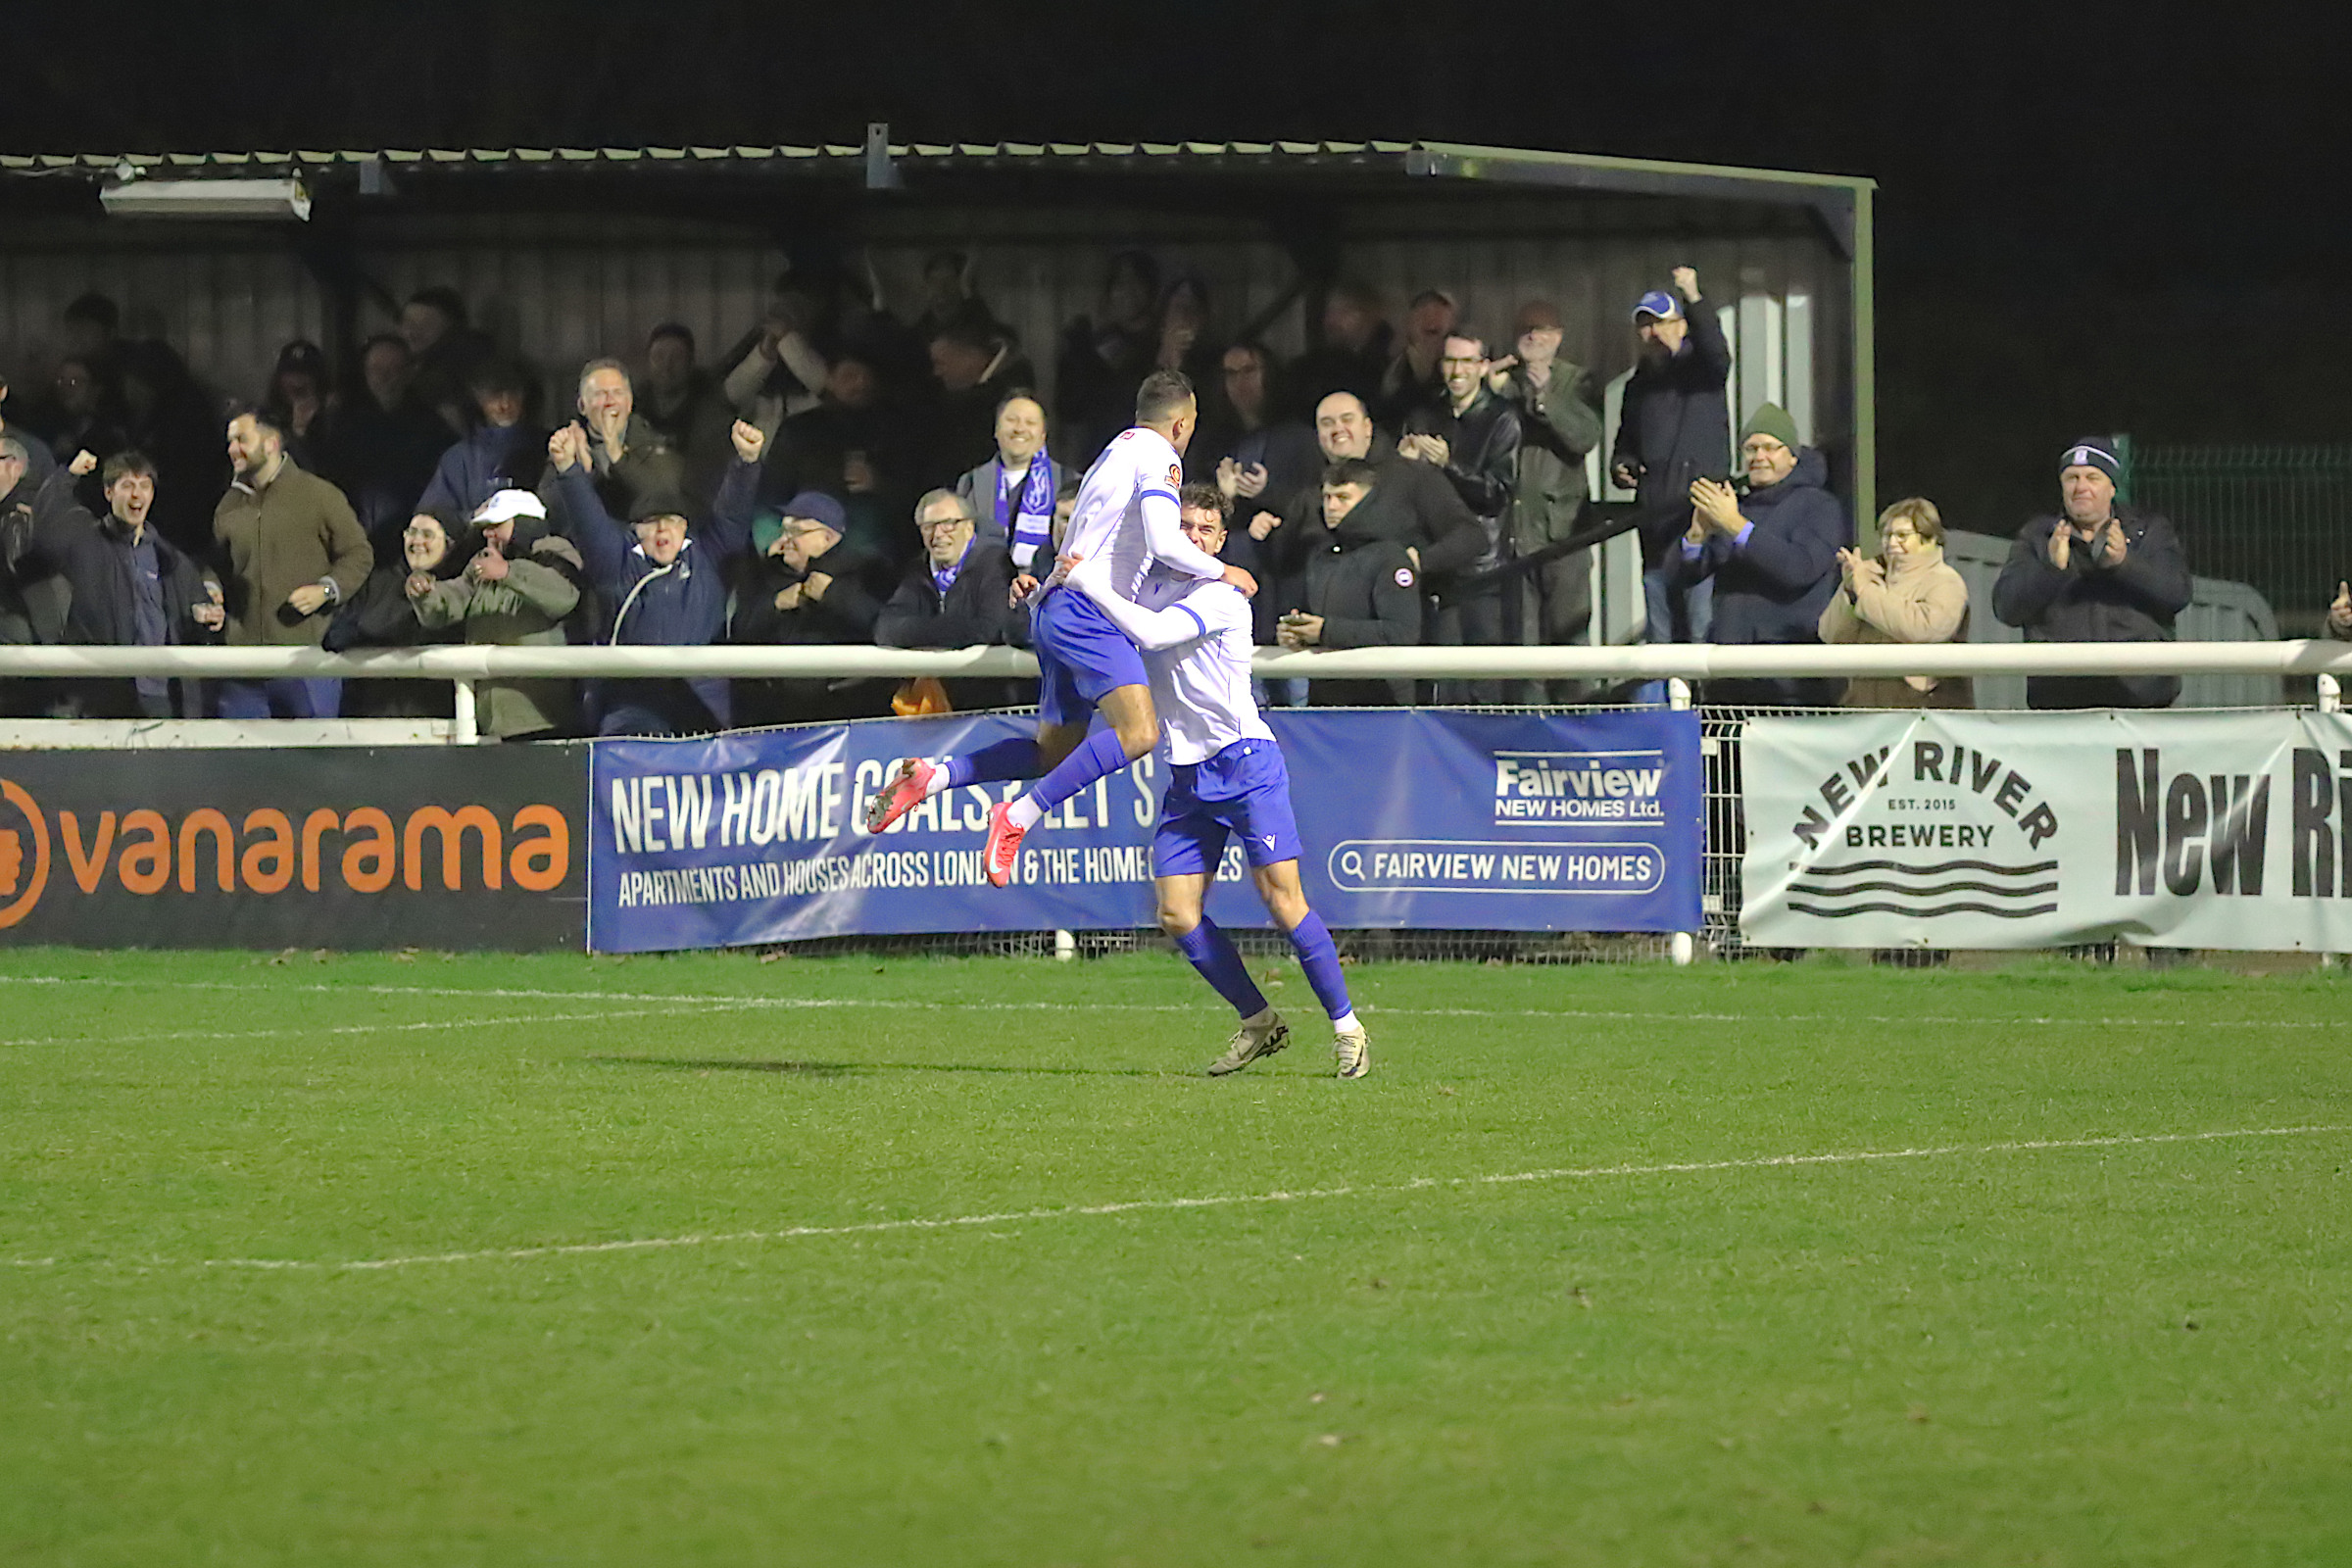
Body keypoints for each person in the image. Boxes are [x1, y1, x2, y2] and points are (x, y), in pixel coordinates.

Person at [863, 370, 1256, 884]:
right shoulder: (1161, 457)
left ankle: (934, 778)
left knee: (1053, 753)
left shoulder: (1112, 454)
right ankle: (1018, 816)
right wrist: (1221, 569)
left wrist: (1045, 588)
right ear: (1182, 422)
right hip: (1088, 615)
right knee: (1138, 732)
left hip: (1058, 608)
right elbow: (1163, 542)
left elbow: (1088, 542)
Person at [1061, 496, 1370, 1079]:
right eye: (1184, 527)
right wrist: (1045, 587)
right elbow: (1097, 607)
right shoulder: (1146, 586)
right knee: (1176, 913)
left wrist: (1087, 580)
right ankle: (1259, 1021)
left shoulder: (1223, 596)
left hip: (1244, 761)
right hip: (1187, 772)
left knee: (1283, 901)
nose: (1195, 537)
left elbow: (1149, 636)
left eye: (1207, 529)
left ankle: (1347, 1026)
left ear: (1221, 539)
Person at [553, 418, 760, 736]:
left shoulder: (708, 556)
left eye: (672, 522)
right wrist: (568, 468)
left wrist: (746, 462)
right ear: (635, 531)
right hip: (633, 705)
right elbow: (588, 520)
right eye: (651, 523)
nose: (662, 530)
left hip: (703, 704)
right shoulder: (616, 562)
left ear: (685, 529)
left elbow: (733, 514)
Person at [1670, 403, 1847, 708]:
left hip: (1790, 678)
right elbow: (1678, 578)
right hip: (1729, 675)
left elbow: (1799, 568)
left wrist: (1737, 526)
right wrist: (1696, 536)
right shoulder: (1735, 506)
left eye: (1770, 447)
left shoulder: (1818, 506)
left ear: (1792, 455)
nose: (1758, 457)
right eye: (1751, 448)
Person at [1992, 441, 2192, 710]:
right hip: (2061, 707)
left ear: (2112, 487)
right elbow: (2007, 608)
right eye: (2071, 478)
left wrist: (2124, 564)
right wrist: (2052, 570)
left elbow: (2177, 593)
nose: (2080, 487)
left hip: (2141, 706)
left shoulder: (2149, 531)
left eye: (2092, 477)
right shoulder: (2038, 536)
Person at [213, 410, 374, 718]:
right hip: (242, 669)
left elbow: (358, 553)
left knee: (314, 764)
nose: (232, 449)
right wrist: (210, 590)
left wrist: (326, 591)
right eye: (230, 441)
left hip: (305, 663)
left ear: (272, 443)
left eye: (241, 439)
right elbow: (217, 566)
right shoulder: (228, 505)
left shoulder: (319, 495)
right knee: (239, 765)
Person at [1610, 267, 1732, 648]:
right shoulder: (1637, 386)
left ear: (1682, 325)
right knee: (1660, 629)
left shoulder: (1704, 372)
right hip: (1655, 519)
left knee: (1700, 623)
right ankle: (1663, 705)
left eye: (1661, 323)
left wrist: (1694, 295)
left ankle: (1702, 706)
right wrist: (1622, 466)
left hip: (1699, 514)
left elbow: (1715, 348)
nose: (1653, 333)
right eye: (1645, 326)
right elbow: (1626, 440)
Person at [1401, 328, 1524, 702]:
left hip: (1482, 568)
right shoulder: (1426, 413)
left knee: (1482, 682)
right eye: (1450, 361)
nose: (1456, 371)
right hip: (1432, 562)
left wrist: (1447, 464)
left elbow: (1497, 493)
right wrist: (1403, 461)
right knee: (1440, 680)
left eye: (1466, 362)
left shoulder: (1502, 419)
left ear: (1484, 367)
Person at [1493, 301, 1604, 699]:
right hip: (1515, 535)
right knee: (1524, 652)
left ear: (1558, 337)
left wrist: (1543, 395)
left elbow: (1584, 437)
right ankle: (1530, 733)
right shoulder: (1502, 381)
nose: (1533, 338)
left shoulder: (1580, 381)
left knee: (1570, 643)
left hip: (1565, 534)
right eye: (1525, 330)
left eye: (1542, 331)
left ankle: (1578, 732)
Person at [408, 491, 584, 738]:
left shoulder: (556, 552)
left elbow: (565, 597)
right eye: (486, 527)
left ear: (524, 523)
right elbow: (454, 599)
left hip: (543, 720)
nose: (488, 534)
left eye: (497, 526)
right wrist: (426, 594)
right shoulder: (483, 561)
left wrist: (508, 572)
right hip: (491, 721)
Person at [730, 490, 895, 726]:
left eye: (797, 531)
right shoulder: (766, 572)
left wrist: (832, 594)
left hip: (844, 714)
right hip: (773, 716)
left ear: (827, 538)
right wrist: (776, 604)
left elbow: (884, 626)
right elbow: (739, 629)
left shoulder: (867, 572)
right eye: (785, 529)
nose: (785, 539)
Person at [1274, 462, 1424, 707]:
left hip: (1382, 706)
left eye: (1343, 498)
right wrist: (1297, 633)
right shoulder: (1321, 556)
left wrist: (1325, 631)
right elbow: (1319, 622)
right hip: (1324, 702)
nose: (1331, 506)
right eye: (1327, 497)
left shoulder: (1392, 557)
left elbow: (1403, 632)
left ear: (1370, 501)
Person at [875, 490, 1025, 710]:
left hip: (993, 703)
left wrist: (922, 639)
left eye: (948, 524)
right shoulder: (918, 568)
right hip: (937, 705)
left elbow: (988, 629)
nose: (938, 535)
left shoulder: (996, 564)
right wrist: (952, 631)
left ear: (969, 527)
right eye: (929, 526)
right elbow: (885, 629)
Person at [1818, 497, 1973, 709]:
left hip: (1924, 714)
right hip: (1864, 711)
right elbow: (1830, 635)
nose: (1891, 543)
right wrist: (1849, 590)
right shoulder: (1870, 575)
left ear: (1929, 538)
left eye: (1902, 536)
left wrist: (1866, 592)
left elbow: (1925, 628)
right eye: (1887, 535)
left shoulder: (1945, 581)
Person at [321, 506, 467, 719]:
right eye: (411, 532)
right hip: (368, 717)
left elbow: (428, 634)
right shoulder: (376, 582)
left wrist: (371, 633)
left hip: (434, 720)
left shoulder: (459, 588)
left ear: (450, 543)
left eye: (427, 535)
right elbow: (334, 636)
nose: (417, 541)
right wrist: (371, 633)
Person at [318, 332, 453, 542]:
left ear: (409, 373)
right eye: (376, 370)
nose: (384, 377)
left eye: (393, 370)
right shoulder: (347, 421)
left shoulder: (430, 424)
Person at [1054, 250, 1163, 465]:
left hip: (1148, 456)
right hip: (1097, 455)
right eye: (1120, 284)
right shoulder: (1089, 343)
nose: (1127, 292)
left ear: (1150, 290)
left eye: (1136, 283)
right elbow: (1068, 408)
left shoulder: (1159, 344)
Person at [417, 359, 546, 522]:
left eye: (514, 393)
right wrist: (472, 518)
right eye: (494, 395)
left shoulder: (549, 447)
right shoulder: (458, 458)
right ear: (476, 396)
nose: (505, 404)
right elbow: (429, 518)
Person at [953, 392, 1064, 569]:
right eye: (1012, 420)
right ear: (996, 430)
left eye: (1030, 423)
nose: (1019, 429)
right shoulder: (970, 483)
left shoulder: (1066, 481)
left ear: (1043, 435)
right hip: (984, 586)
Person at [639, 323, 740, 507]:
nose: (666, 366)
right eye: (658, 357)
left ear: (690, 362)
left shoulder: (711, 412)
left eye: (676, 358)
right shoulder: (633, 405)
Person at [1288, 280, 1392, 418]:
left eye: (1341, 313)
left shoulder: (1391, 363)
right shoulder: (1317, 366)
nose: (1329, 322)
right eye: (1330, 313)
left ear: (1362, 314)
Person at [400, 285, 491, 436]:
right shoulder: (406, 364)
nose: (412, 332)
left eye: (426, 324)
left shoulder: (463, 367)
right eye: (408, 323)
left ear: (452, 328)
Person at [1376, 288, 1457, 428]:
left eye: (1442, 333)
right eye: (1430, 331)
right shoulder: (1390, 367)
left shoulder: (1457, 369)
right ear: (1410, 324)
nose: (1430, 319)